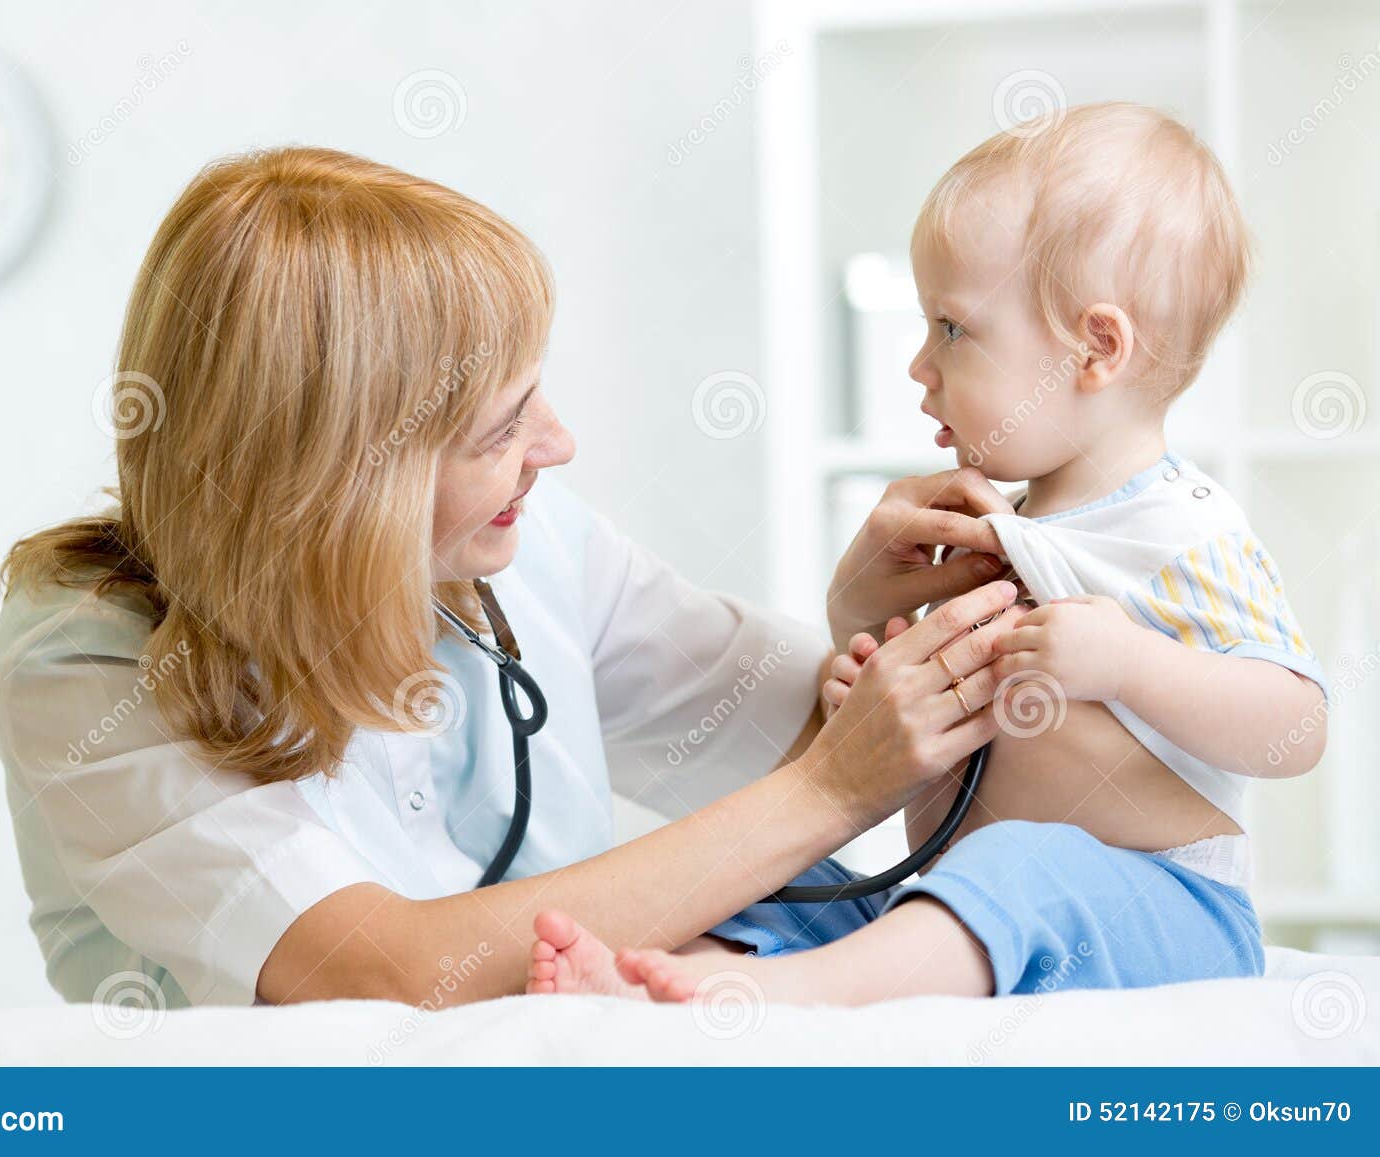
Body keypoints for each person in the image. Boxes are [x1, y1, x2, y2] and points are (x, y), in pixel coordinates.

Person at [0, 145, 1019, 1009]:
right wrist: (836, 784)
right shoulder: (84, 654)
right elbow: (380, 969)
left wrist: (867, 624)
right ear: (349, 479)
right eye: (501, 427)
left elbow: (821, 730)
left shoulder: (526, 542)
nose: (557, 443)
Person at [543, 102, 1328, 1006]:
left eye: (952, 329)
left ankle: (778, 1002)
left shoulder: (1179, 528)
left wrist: (1130, 663)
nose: (920, 366)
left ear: (1095, 347)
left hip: (1162, 913)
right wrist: (865, 671)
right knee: (790, 875)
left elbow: (1297, 727)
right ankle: (668, 983)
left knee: (1017, 865)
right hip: (971, 897)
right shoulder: (999, 533)